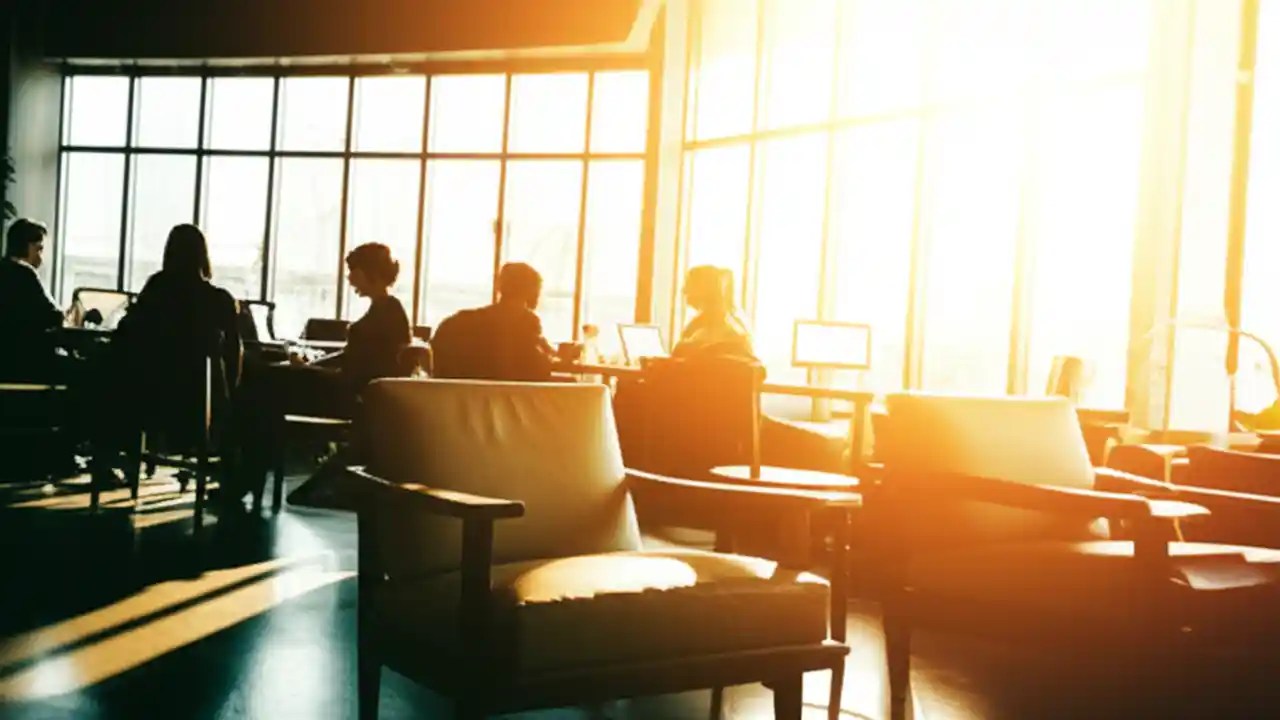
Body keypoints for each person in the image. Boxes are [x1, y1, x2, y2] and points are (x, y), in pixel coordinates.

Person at [236, 242, 410, 511]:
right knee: (269, 387)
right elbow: (354, 358)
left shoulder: (383, 315)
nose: (350, 277)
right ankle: (248, 476)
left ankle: (246, 476)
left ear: (368, 272)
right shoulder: (389, 311)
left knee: (264, 389)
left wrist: (309, 369)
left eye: (354, 271)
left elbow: (353, 373)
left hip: (349, 396)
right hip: (354, 391)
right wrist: (315, 364)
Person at [92, 224, 243, 486]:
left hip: (149, 404)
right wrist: (224, 399)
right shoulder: (219, 300)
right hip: (200, 408)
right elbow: (233, 355)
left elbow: (125, 336)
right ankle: (232, 480)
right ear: (203, 256)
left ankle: (108, 461)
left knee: (104, 375)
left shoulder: (156, 290)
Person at [431, 262, 555, 381]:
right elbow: (535, 371)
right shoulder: (525, 321)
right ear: (532, 291)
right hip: (502, 395)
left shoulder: (461, 321)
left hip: (459, 395)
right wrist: (553, 358)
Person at [0, 219, 65, 380]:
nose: (41, 259)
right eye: (39, 249)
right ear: (26, 246)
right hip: (24, 361)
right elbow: (53, 316)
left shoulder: (4, 267)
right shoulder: (24, 274)